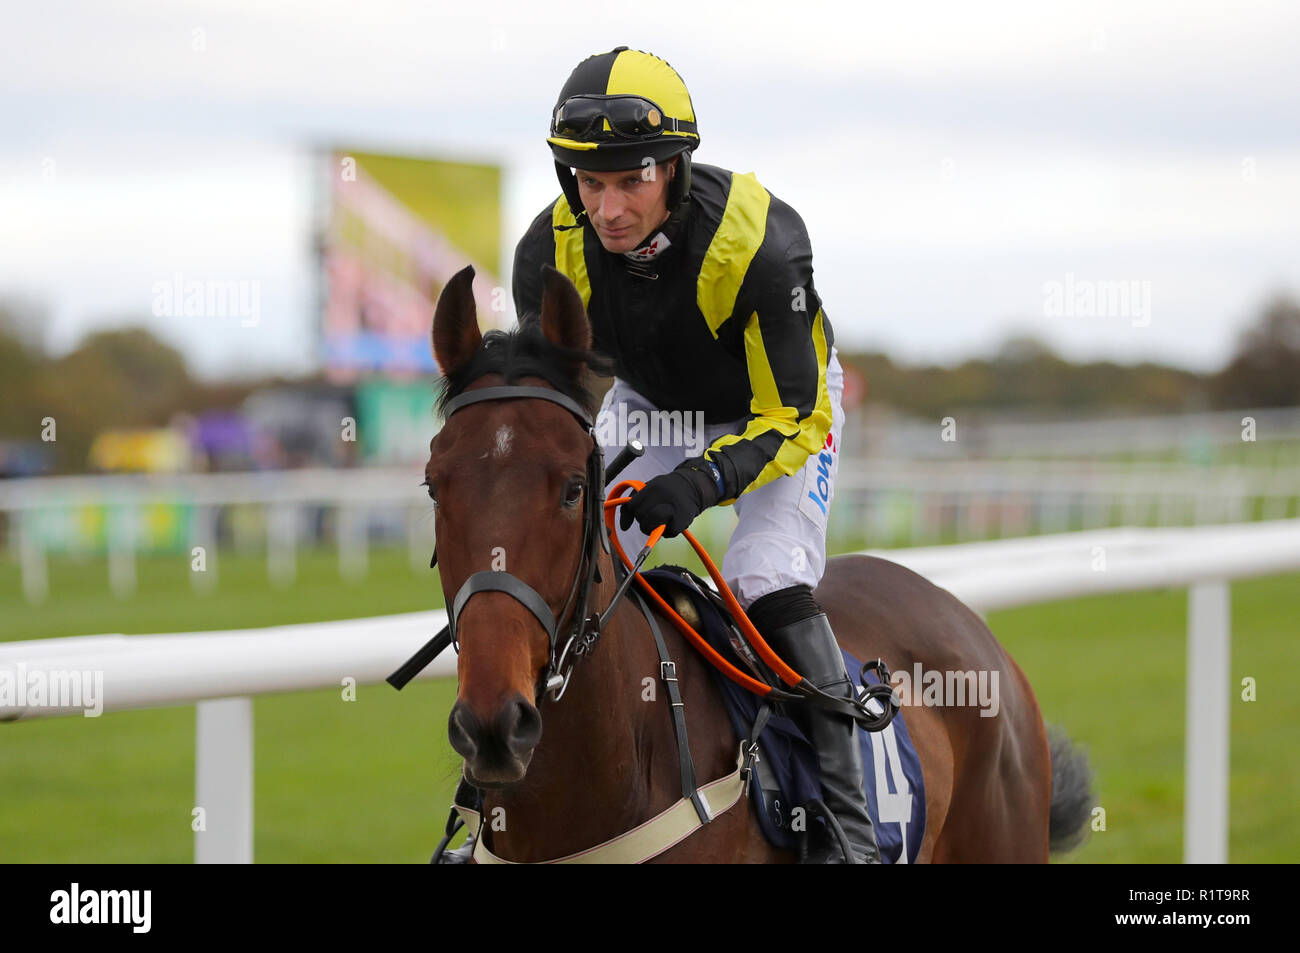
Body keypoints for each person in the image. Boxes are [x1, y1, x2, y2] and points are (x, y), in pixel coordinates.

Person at [447, 46, 878, 864]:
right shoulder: (548, 251)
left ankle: (847, 827)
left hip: (780, 406)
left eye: (630, 181)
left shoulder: (761, 243)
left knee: (763, 576)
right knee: (573, 558)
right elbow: (549, 416)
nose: (608, 209)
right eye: (589, 182)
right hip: (653, 404)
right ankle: (494, 795)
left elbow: (790, 415)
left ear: (673, 169)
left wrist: (704, 479)